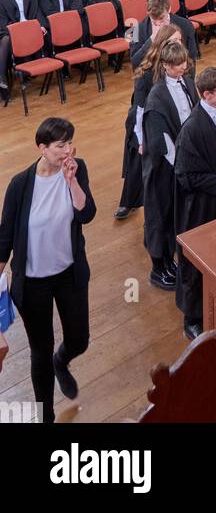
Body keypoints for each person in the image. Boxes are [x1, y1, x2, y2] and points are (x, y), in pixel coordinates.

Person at [0, 116, 96, 423]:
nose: (67, 150)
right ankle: (46, 417)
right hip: (33, 283)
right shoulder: (20, 185)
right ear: (42, 148)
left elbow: (87, 214)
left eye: (69, 142)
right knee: (40, 350)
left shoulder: (76, 168)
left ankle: (62, 360)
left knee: (79, 339)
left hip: (69, 274)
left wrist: (72, 181)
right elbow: (4, 240)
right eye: (59, 145)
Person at [174, 66, 216, 340]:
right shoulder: (191, 129)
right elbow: (184, 175)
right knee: (197, 261)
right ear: (206, 94)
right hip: (199, 205)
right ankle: (192, 316)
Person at [140, 36, 198, 291]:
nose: (182, 68)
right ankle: (159, 267)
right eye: (176, 65)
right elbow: (160, 142)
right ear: (165, 65)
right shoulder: (157, 95)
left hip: (182, 160)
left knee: (176, 214)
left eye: (183, 63)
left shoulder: (186, 81)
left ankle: (172, 261)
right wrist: (180, 163)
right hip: (164, 168)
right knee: (160, 216)